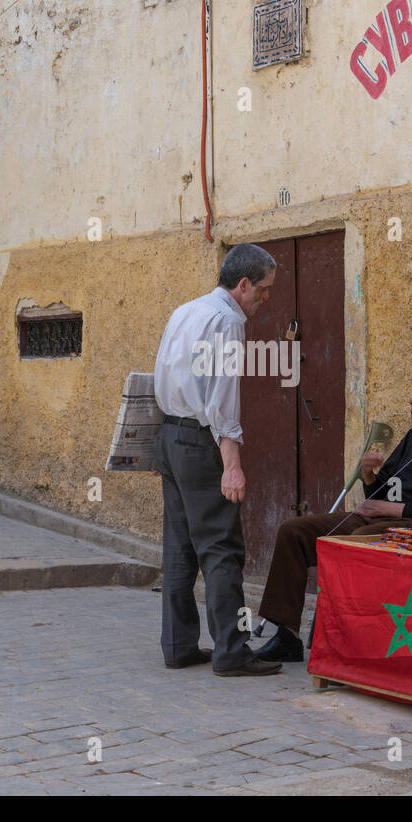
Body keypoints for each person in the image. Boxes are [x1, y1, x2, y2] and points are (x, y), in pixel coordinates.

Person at [253, 375, 412, 662]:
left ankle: (344, 643)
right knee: (293, 531)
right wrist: (368, 473)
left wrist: (386, 509)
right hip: (377, 516)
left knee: (354, 545)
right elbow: (380, 489)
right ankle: (286, 636)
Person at [152, 243, 283, 677]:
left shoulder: (185, 311)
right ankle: (231, 649)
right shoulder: (228, 320)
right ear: (242, 285)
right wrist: (232, 463)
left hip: (171, 436)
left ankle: (178, 645)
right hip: (198, 442)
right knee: (221, 547)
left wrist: (160, 444)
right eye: (262, 290)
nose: (265, 299)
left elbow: (161, 376)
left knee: (179, 547)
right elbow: (223, 400)